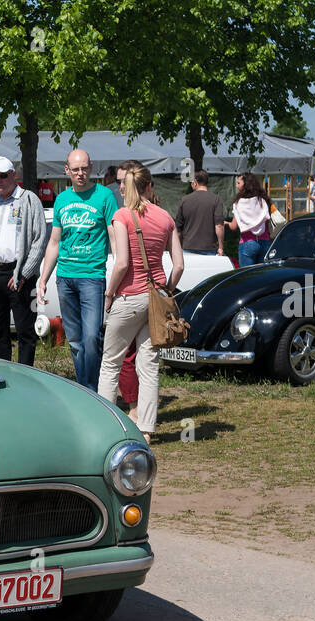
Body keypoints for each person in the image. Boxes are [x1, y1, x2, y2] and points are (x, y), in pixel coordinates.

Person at [100, 165, 181, 445]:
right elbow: (179, 266)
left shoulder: (122, 215)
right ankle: (146, 429)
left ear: (129, 188)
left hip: (128, 298)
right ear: (149, 187)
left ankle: (106, 426)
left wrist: (110, 293)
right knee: (149, 366)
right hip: (155, 297)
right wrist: (166, 288)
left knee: (110, 363)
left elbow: (122, 263)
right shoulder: (165, 217)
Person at [37, 148, 117, 390]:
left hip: (92, 276)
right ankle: (86, 387)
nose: (80, 173)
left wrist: (117, 275)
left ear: (91, 168)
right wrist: (43, 278)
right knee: (74, 340)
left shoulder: (104, 196)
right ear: (67, 171)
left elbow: (114, 240)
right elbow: (54, 242)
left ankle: (91, 389)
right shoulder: (62, 199)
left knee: (92, 337)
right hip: (65, 278)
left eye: (84, 168)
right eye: (75, 169)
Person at [0, 156, 48, 365]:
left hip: (18, 275)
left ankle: (26, 381)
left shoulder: (28, 199)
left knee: (25, 332)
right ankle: (0, 377)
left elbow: (40, 240)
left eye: (3, 176)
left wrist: (24, 273)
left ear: (13, 175)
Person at [174, 169, 225, 255]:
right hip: (209, 248)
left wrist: (178, 247)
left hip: (188, 247)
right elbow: (219, 226)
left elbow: (178, 229)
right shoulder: (216, 199)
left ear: (195, 182)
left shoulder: (184, 200)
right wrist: (220, 247)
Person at [226, 173, 271, 266]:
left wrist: (224, 223)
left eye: (238, 183)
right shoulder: (263, 200)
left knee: (247, 277)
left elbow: (233, 226)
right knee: (262, 277)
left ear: (245, 185)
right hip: (265, 242)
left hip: (247, 242)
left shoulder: (239, 203)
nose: (236, 185)